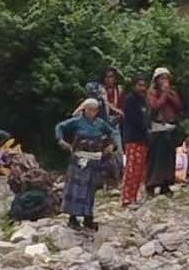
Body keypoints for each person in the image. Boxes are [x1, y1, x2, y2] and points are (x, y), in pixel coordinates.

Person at [55, 99, 115, 231]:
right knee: (76, 189)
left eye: (95, 110)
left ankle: (88, 217)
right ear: (84, 110)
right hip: (79, 160)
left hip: (94, 160)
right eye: (89, 109)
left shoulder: (100, 123)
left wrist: (111, 144)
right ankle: (73, 217)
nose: (92, 112)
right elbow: (60, 126)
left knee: (90, 189)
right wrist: (61, 141)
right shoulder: (77, 122)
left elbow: (112, 132)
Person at [146, 67, 181, 197]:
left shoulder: (172, 92)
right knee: (156, 158)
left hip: (170, 127)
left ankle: (165, 185)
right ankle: (151, 184)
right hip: (157, 129)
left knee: (168, 158)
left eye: (166, 78)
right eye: (162, 78)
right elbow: (155, 106)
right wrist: (164, 94)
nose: (165, 81)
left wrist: (168, 94)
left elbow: (178, 106)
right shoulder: (152, 93)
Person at [118, 75, 149, 207]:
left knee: (139, 170)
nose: (142, 88)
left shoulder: (143, 100)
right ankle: (126, 198)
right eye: (139, 85)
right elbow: (135, 119)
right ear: (134, 86)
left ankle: (134, 197)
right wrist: (146, 127)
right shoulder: (130, 100)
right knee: (131, 169)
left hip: (143, 139)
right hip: (133, 138)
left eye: (143, 85)